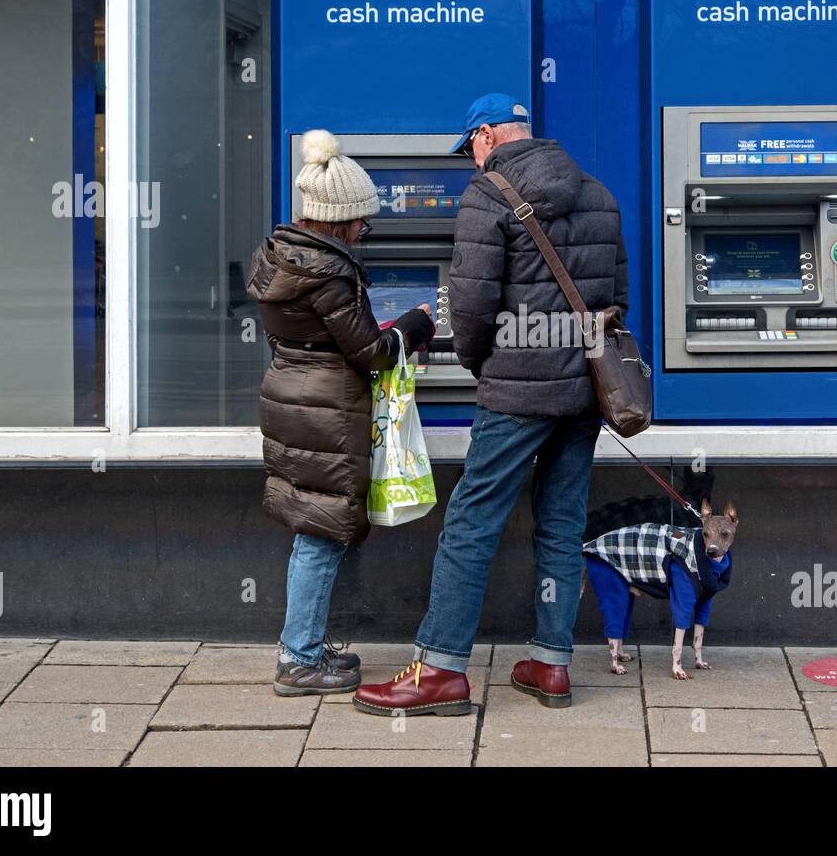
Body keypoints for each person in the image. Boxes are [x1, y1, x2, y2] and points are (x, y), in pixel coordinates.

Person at [353, 93, 628, 716]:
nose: (472, 162)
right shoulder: (600, 195)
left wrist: (483, 364)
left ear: (484, 137)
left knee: (471, 526)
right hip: (582, 392)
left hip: (516, 390)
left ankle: (442, 669)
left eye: (470, 149)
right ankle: (551, 664)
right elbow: (616, 301)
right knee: (561, 524)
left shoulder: (487, 196)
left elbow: (471, 310)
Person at [248, 129, 434, 697]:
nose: (365, 231)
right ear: (341, 219)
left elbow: (324, 338)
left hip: (292, 398)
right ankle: (299, 660)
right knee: (323, 531)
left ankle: (302, 646)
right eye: (363, 222)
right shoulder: (329, 273)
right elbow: (372, 353)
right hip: (327, 411)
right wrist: (417, 325)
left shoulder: (282, 257)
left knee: (313, 525)